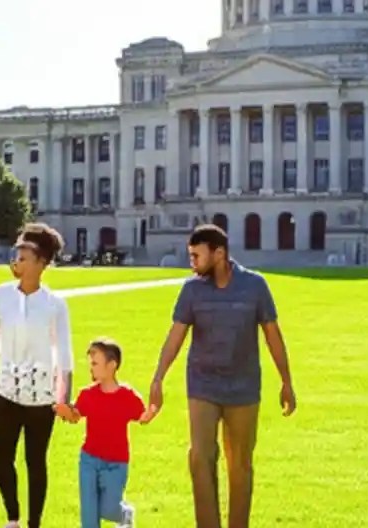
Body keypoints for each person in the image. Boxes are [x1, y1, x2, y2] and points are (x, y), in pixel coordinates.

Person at [145, 224, 297, 528]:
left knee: (240, 463)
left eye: (196, 256)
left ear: (219, 253)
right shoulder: (191, 290)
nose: (192, 262)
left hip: (243, 386)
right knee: (200, 457)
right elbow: (175, 336)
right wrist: (158, 377)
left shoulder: (255, 286)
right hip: (202, 384)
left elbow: (273, 335)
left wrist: (286, 381)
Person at [0, 222, 74, 528]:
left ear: (42, 263)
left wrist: (64, 397)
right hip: (5, 393)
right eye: (17, 255)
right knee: (1, 459)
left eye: (24, 256)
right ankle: (13, 518)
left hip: (42, 398)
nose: (17, 261)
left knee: (35, 462)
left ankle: (34, 523)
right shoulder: (2, 295)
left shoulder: (55, 305)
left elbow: (64, 353)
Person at [55, 338, 155, 528]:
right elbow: (75, 415)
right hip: (89, 461)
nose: (91, 368)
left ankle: (124, 514)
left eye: (95, 363)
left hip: (116, 463)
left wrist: (150, 412)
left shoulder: (128, 397)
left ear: (112, 365)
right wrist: (65, 411)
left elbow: (142, 416)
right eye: (90, 363)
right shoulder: (88, 395)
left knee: (108, 509)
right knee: (89, 514)